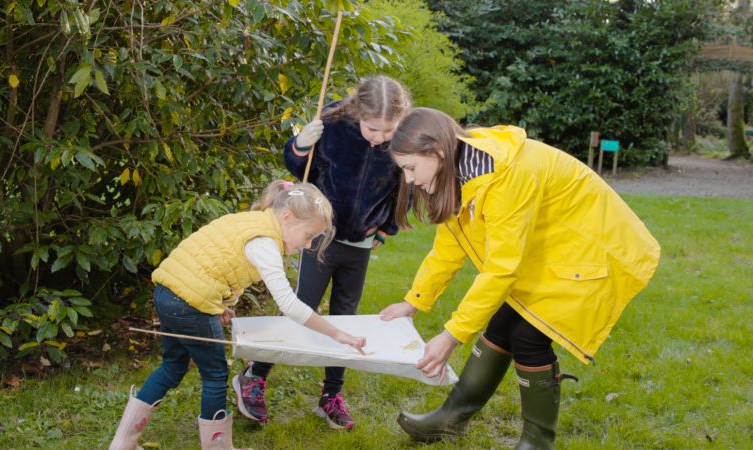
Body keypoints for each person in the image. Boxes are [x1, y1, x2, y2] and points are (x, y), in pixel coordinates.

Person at [379, 107, 660, 449]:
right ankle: (451, 418)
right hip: (552, 248)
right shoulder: (460, 170)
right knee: (502, 322)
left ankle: (537, 442)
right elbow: (449, 248)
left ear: (436, 151)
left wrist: (451, 336)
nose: (408, 179)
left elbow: (501, 269)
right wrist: (414, 301)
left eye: (410, 168)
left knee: (529, 335)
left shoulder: (504, 176)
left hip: (595, 250)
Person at [109, 180, 367, 450]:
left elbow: (212, 261)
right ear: (287, 217)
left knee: (172, 366)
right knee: (216, 375)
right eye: (308, 235)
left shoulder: (250, 222)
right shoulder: (265, 242)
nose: (309, 244)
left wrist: (219, 303)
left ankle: (122, 443)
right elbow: (290, 304)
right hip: (191, 304)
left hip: (167, 293)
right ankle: (218, 447)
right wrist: (336, 332)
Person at [233, 75, 411, 430]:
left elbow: (401, 187)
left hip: (359, 240)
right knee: (302, 303)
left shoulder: (401, 137)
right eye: (372, 128)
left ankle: (331, 395)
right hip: (319, 234)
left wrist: (384, 228)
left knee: (347, 316)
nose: (378, 138)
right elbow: (299, 168)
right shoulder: (333, 123)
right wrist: (300, 143)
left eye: (386, 132)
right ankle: (255, 374)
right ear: (358, 111)